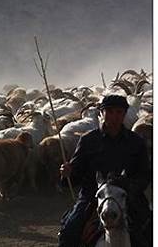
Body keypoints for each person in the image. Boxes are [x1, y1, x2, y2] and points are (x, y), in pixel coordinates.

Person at [58, 95, 151, 247]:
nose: (114, 116)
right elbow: (75, 174)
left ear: (124, 114)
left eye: (119, 112)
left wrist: (130, 188)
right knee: (69, 231)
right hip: (92, 197)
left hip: (128, 196)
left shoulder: (136, 142)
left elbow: (144, 175)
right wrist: (68, 172)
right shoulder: (88, 140)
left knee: (150, 231)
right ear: (101, 113)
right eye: (110, 112)